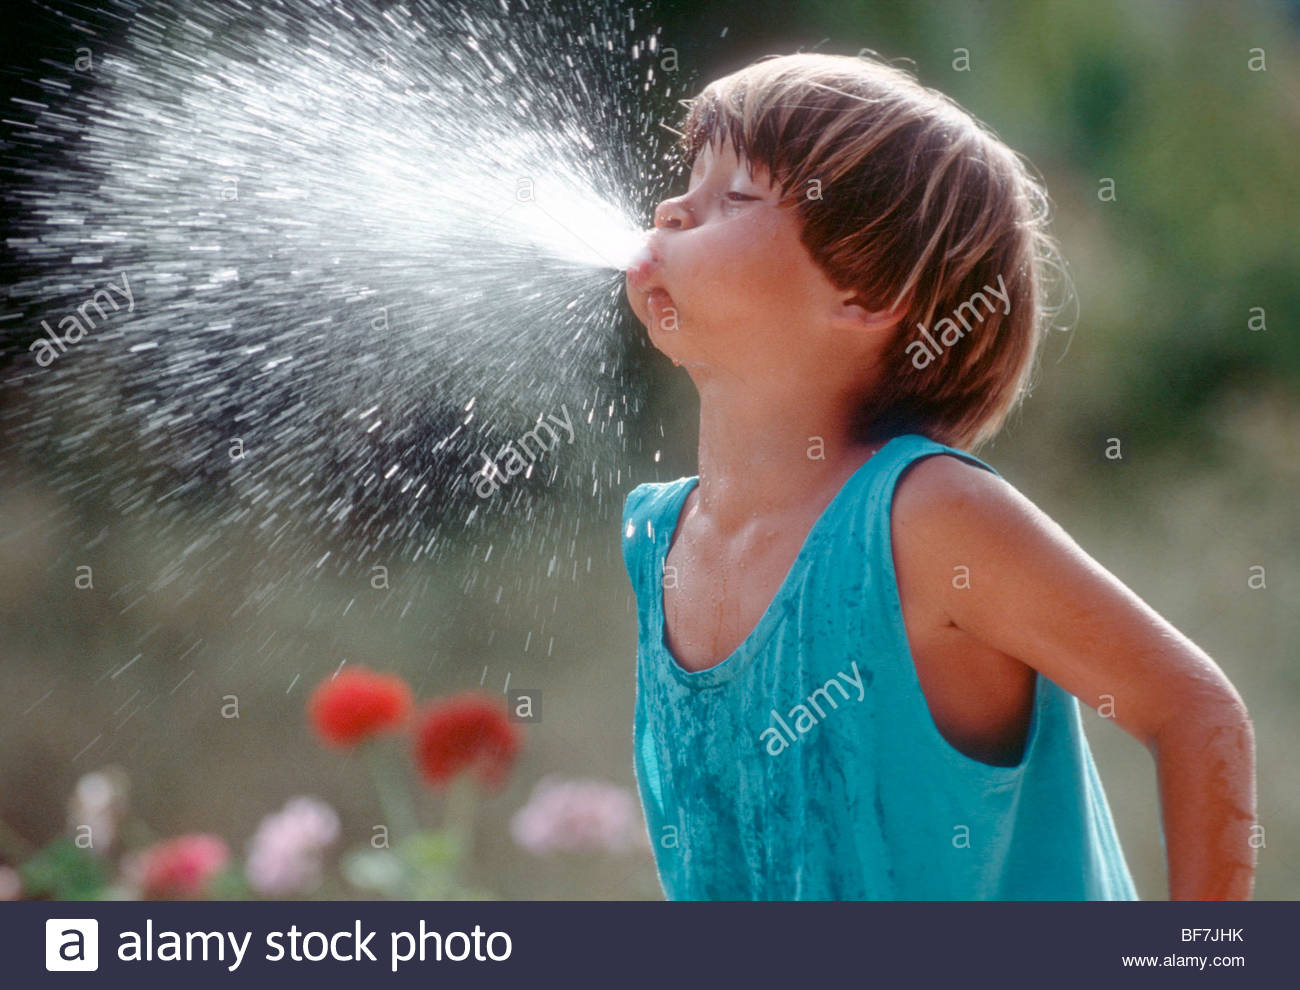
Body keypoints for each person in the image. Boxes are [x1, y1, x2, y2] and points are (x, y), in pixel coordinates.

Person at [620, 52, 1255, 900]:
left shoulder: (927, 519)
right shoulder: (656, 539)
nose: (672, 210)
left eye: (734, 197)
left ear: (866, 293)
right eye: (688, 183)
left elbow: (1196, 714)